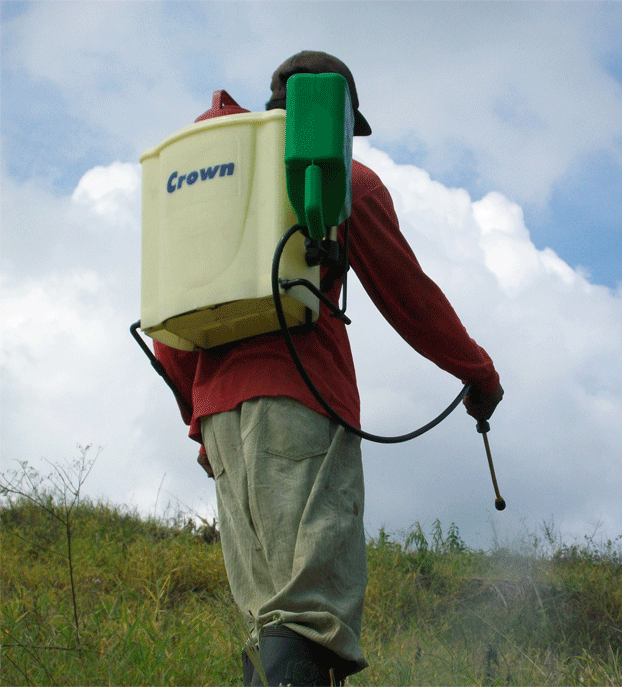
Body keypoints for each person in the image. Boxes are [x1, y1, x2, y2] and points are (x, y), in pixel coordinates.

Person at [154, 51, 503, 686]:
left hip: (221, 422)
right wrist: (477, 372)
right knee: (309, 616)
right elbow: (407, 294)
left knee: (269, 617)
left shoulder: (212, 179)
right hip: (302, 406)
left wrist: (199, 424)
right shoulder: (345, 180)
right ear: (336, 114)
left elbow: (172, 329)